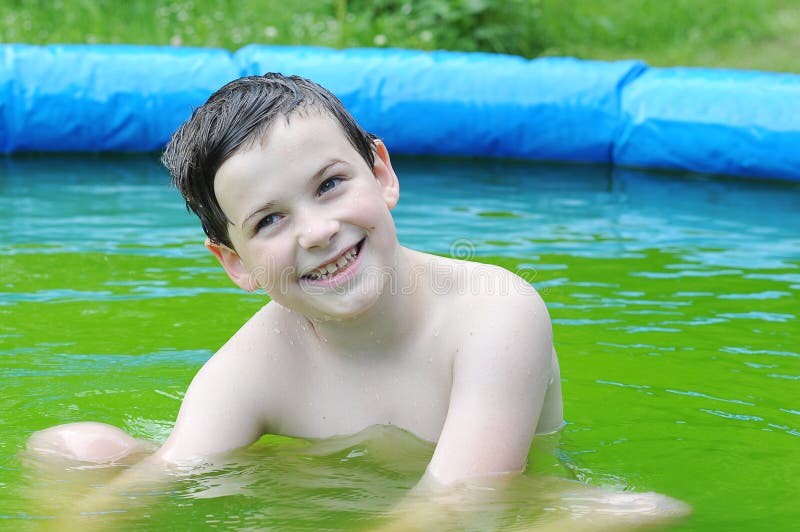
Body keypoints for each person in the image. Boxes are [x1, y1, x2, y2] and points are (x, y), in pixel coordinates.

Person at [27, 73, 686, 529]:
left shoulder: (493, 313)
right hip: (330, 496)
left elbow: (461, 503)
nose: (317, 231)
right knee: (74, 447)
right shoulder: (256, 362)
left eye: (331, 184)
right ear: (235, 262)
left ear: (381, 172)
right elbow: (174, 474)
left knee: (636, 514)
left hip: (487, 501)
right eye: (269, 222)